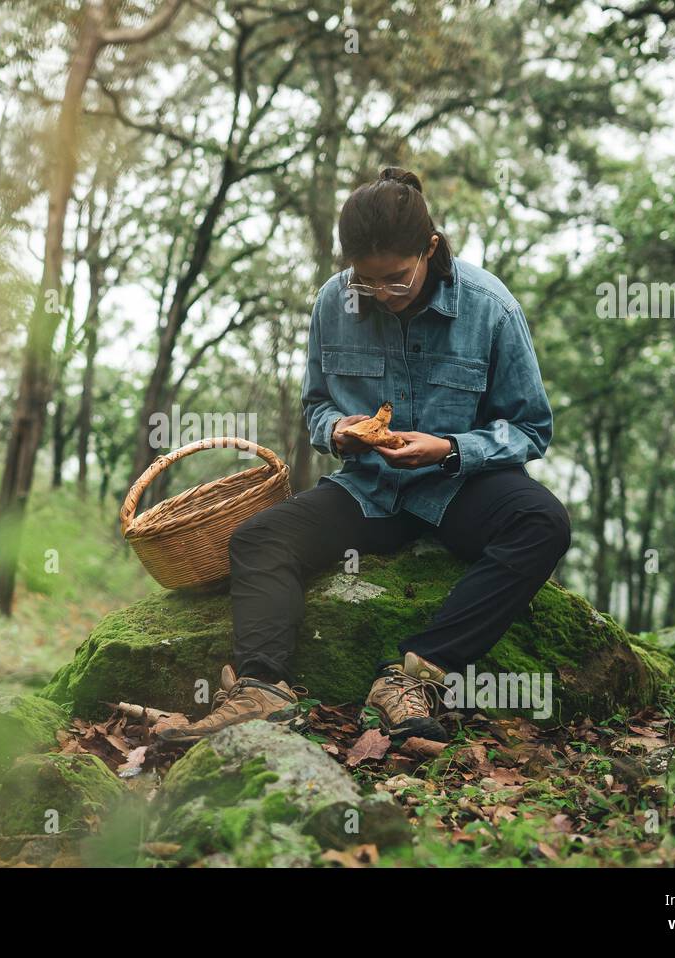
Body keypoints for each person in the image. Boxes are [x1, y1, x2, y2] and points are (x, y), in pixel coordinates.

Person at [160, 166, 571, 744]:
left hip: (458, 487)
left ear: (430, 249)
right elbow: (317, 407)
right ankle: (262, 690)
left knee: (542, 524)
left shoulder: (490, 307)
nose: (381, 294)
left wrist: (450, 448)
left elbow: (531, 428)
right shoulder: (334, 301)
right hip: (369, 488)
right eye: (367, 280)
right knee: (259, 538)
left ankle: (414, 676)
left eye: (397, 280)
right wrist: (339, 432)